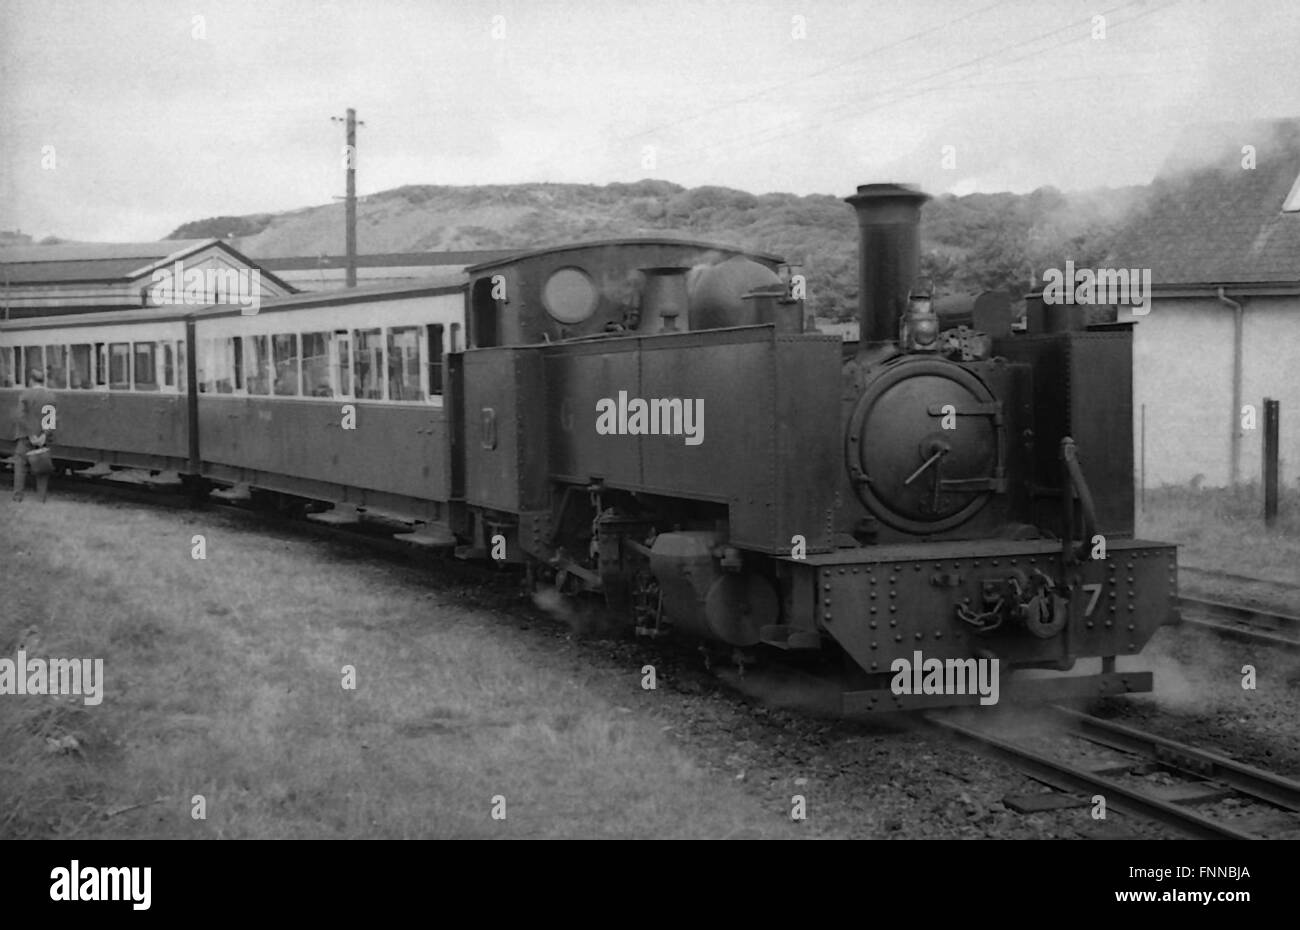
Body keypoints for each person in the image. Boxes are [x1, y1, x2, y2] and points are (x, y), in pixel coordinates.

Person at [12, 368, 57, 503]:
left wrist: (31, 434)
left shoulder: (25, 395)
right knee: (42, 467)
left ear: (31, 380)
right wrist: (44, 435)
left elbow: (20, 416)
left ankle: (18, 496)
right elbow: (50, 420)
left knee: (20, 465)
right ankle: (41, 497)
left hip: (26, 437)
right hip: (42, 439)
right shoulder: (50, 396)